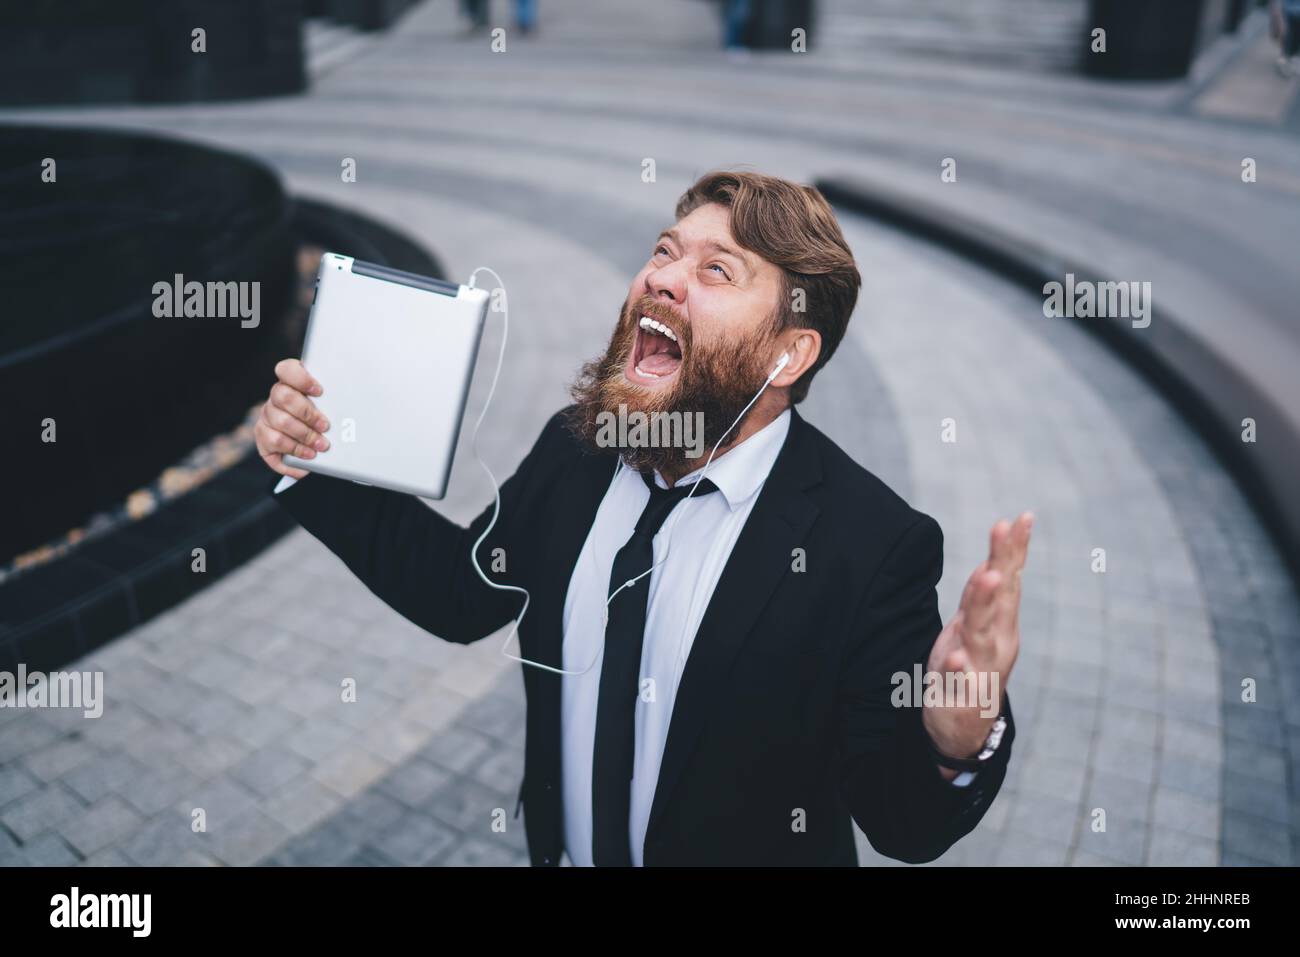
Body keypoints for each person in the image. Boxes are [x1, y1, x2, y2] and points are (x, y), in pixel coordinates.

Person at [255, 170, 1032, 866]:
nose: (664, 279)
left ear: (788, 356)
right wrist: (311, 466)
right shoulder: (578, 447)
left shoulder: (867, 545)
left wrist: (949, 743)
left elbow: (901, 823)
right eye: (665, 251)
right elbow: (463, 592)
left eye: (715, 270)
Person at [1275, 0, 1300, 76]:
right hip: (1288, 15)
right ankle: (1284, 59)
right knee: (1287, 39)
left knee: (1295, 41)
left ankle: (1292, 59)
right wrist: (1280, 20)